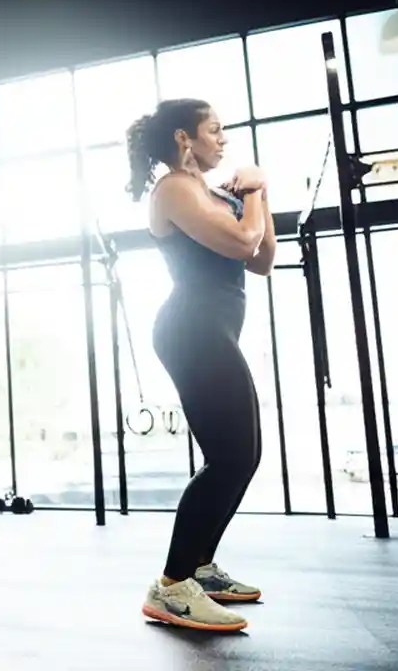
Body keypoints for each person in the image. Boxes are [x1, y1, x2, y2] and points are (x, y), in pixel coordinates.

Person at [125, 99, 276, 632]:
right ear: (185, 139)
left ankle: (199, 568)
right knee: (232, 457)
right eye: (215, 130)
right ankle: (171, 586)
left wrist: (259, 194)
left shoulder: (210, 193)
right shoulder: (173, 189)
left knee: (243, 454)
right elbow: (241, 239)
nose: (225, 139)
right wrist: (253, 191)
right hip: (190, 329)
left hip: (211, 330)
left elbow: (261, 258)